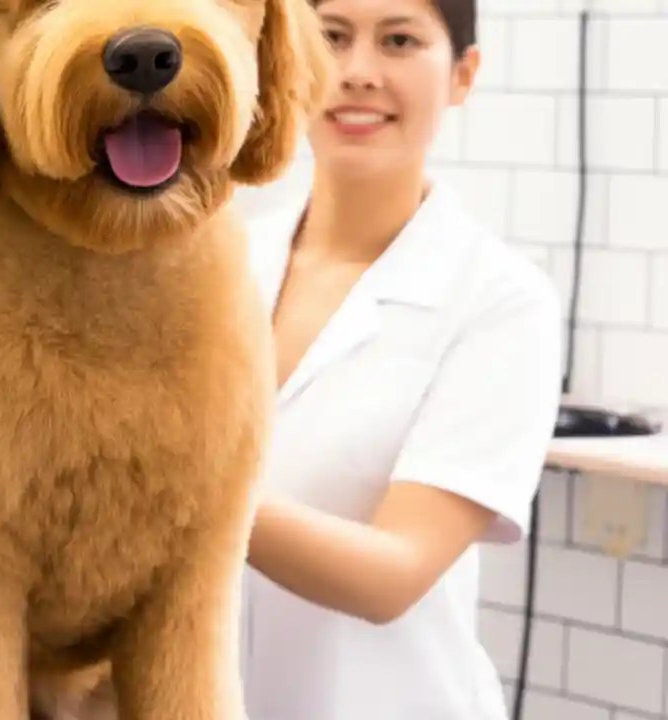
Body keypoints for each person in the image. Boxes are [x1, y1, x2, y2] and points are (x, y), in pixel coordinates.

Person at [235, 0, 562, 718]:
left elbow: (395, 573)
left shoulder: (501, 302)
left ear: (462, 75)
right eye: (331, 38)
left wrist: (172, 486)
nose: (358, 72)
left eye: (400, 40)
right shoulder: (217, 260)